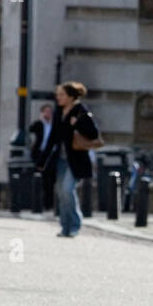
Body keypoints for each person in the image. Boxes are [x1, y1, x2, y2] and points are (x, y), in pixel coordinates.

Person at [34, 82, 102, 237]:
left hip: (76, 159)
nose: (58, 97)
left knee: (67, 189)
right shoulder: (58, 112)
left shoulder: (81, 111)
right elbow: (52, 138)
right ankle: (65, 226)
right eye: (58, 94)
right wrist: (42, 160)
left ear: (71, 96)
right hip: (61, 159)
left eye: (62, 94)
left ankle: (75, 224)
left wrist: (77, 123)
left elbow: (93, 134)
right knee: (60, 192)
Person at [28, 102, 56, 212]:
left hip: (51, 155)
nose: (48, 114)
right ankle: (38, 205)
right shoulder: (39, 124)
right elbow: (30, 129)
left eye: (50, 112)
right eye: (46, 112)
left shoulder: (54, 125)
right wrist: (41, 119)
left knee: (51, 181)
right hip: (40, 154)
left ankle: (49, 205)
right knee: (40, 179)